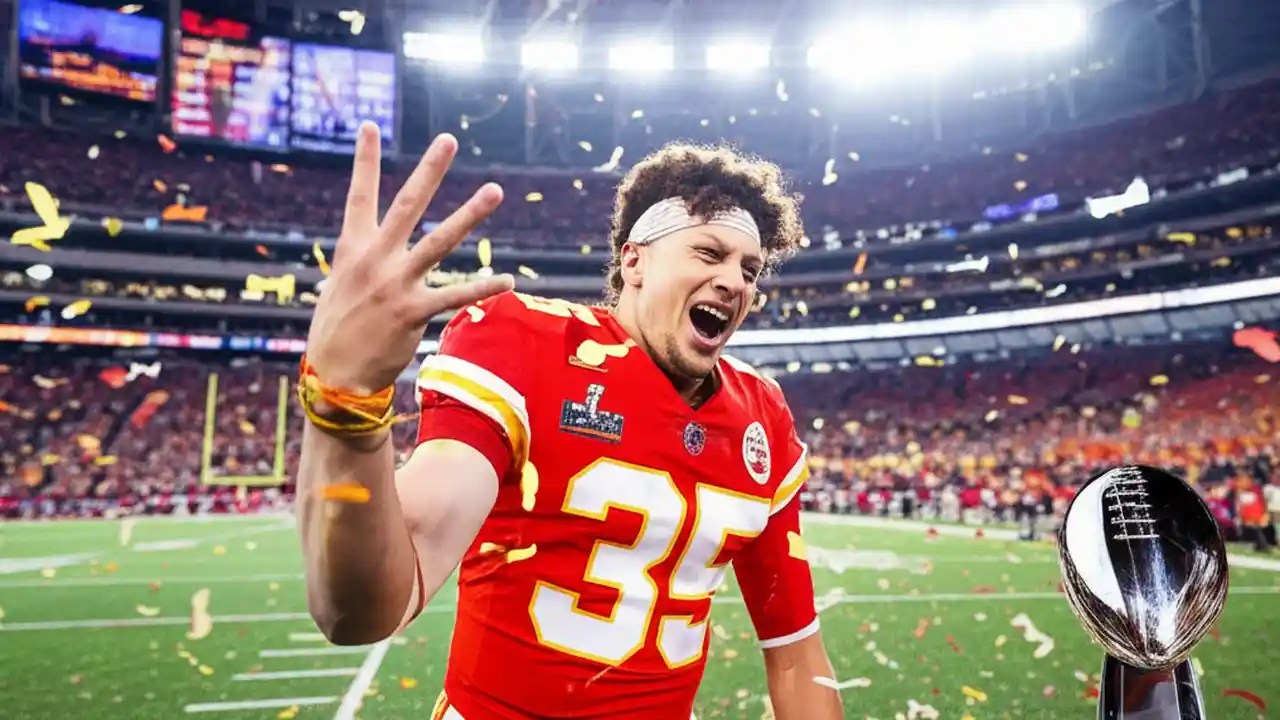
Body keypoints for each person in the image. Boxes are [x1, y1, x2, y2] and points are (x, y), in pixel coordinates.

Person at [295, 122, 843, 720]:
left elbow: (794, 652)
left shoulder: (761, 416)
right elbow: (364, 609)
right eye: (709, 252)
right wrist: (345, 402)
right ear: (633, 260)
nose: (735, 281)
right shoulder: (526, 343)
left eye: (750, 268)